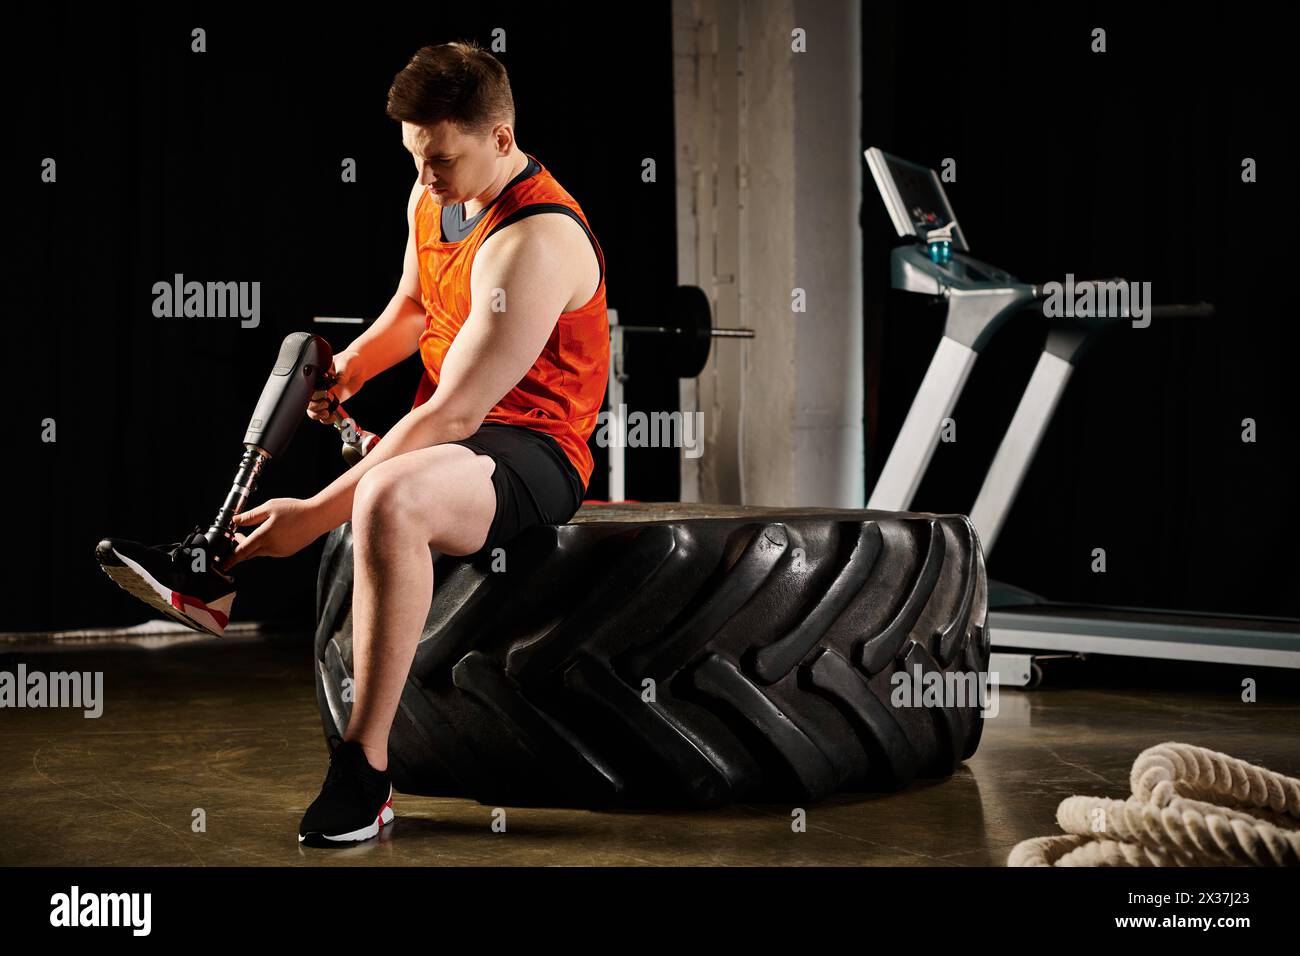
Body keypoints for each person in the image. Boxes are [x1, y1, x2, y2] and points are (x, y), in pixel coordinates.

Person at [224, 41, 609, 845]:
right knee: (342, 420)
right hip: (457, 435)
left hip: (533, 448)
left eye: (441, 158)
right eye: (414, 157)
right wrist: (356, 367)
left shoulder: (535, 240)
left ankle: (364, 775)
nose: (426, 176)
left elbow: (456, 416)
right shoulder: (434, 195)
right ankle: (203, 563)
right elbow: (412, 305)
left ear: (502, 138)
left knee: (387, 496)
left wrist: (313, 518)